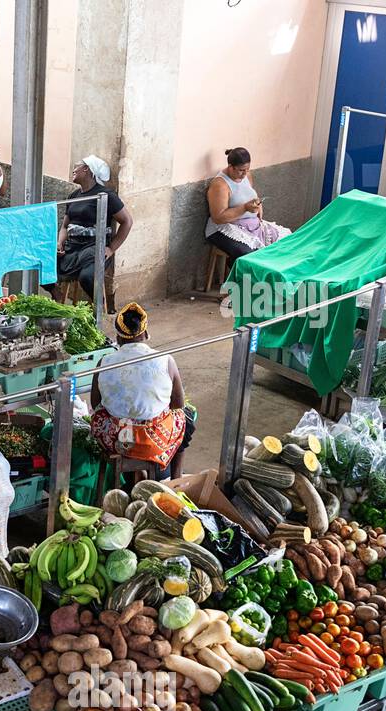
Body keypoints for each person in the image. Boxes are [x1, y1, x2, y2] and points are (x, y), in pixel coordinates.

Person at [89, 303, 192, 480]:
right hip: (151, 441)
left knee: (101, 416)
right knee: (185, 416)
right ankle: (175, 481)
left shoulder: (104, 362)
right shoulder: (166, 360)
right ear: (145, 334)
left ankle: (136, 471)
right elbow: (178, 404)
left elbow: (95, 404)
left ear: (118, 338)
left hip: (117, 439)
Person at [56, 155, 133, 307]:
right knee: (44, 264)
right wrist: (60, 243)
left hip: (94, 249)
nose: (73, 170)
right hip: (73, 248)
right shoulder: (74, 196)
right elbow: (65, 226)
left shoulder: (105, 195)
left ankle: (99, 308)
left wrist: (111, 248)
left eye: (76, 167)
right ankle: (55, 294)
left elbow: (127, 222)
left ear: (87, 169)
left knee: (87, 277)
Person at [205, 146, 291, 261]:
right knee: (249, 255)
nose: (244, 174)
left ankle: (274, 277)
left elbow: (248, 194)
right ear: (230, 167)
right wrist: (245, 208)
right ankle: (243, 278)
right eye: (241, 170)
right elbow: (218, 217)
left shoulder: (246, 175)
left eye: (247, 169)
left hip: (252, 226)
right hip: (224, 228)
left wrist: (258, 204)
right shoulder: (220, 185)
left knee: (287, 240)